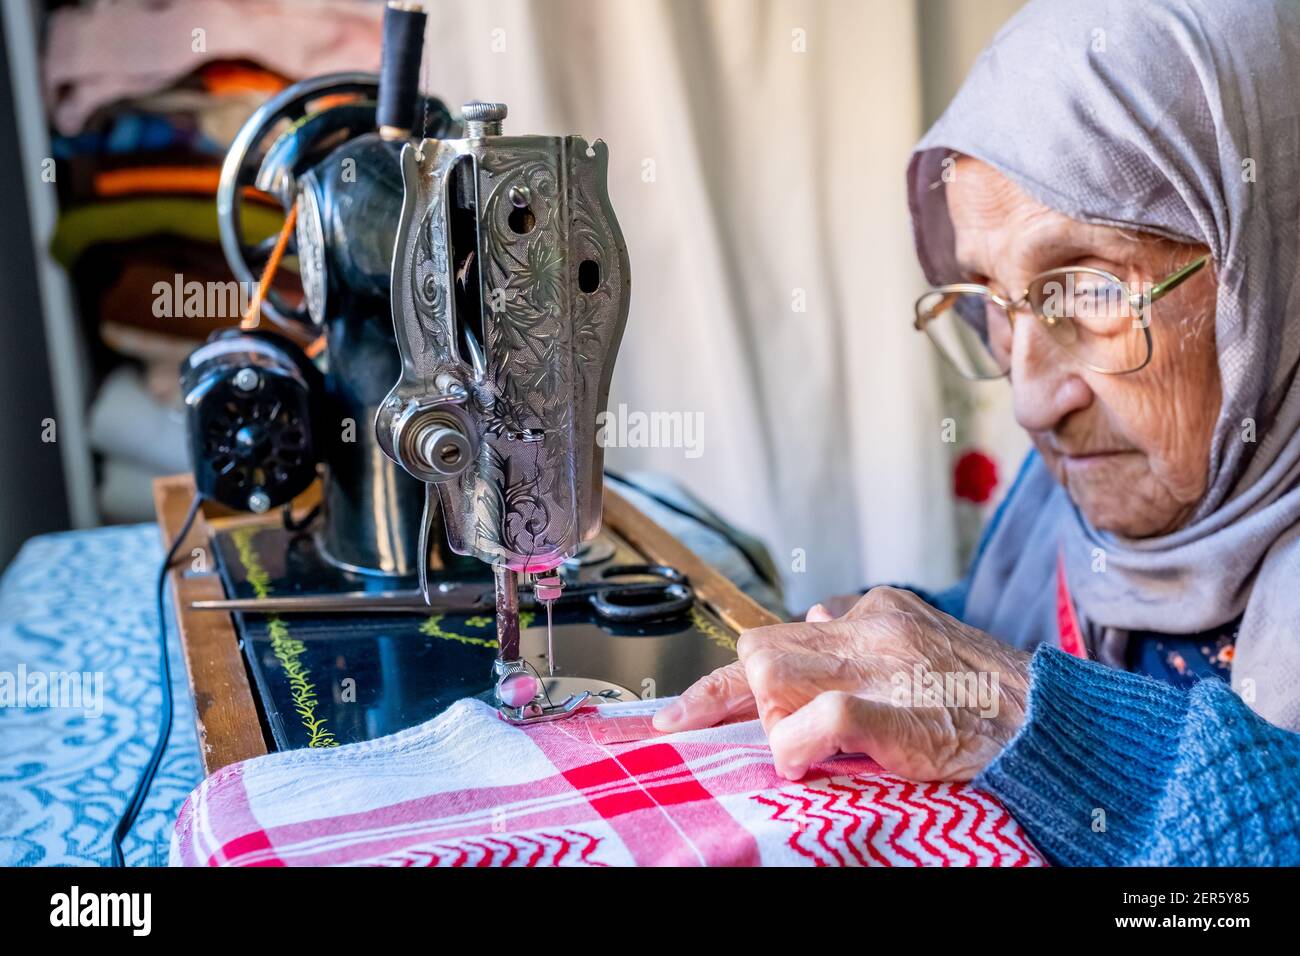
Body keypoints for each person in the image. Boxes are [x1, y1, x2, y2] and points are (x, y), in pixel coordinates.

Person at [655, 0, 1300, 865]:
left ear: (1272, 258)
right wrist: (889, 635)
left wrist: (1018, 712)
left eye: (1094, 288)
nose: (1031, 400)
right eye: (996, 301)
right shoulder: (1069, 503)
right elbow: (1005, 628)